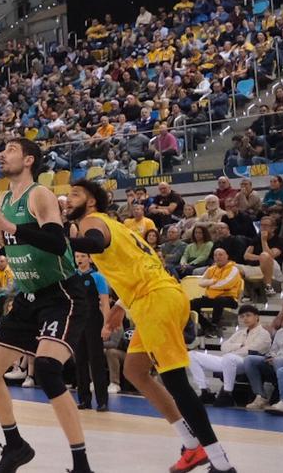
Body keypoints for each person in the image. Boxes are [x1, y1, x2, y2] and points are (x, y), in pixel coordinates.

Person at [0, 137, 93, 473]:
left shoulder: (39, 195)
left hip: (60, 294)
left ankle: (82, 465)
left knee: (49, 370)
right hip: (27, 298)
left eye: (9, 149)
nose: (1, 154)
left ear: (28, 160)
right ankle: (16, 446)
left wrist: (13, 227)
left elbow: (56, 241)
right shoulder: (6, 199)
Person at [63, 180, 237, 473]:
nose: (68, 199)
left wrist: (61, 239)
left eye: (75, 195)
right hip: (155, 298)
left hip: (157, 300)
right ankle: (192, 446)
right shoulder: (118, 226)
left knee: (176, 382)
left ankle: (220, 463)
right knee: (135, 371)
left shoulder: (92, 221)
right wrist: (120, 306)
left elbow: (93, 243)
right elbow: (142, 265)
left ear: (91, 202)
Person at [188, 305, 271, 406]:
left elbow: (252, 350)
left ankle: (227, 393)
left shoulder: (263, 333)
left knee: (229, 357)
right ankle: (204, 391)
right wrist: (239, 345)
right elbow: (223, 347)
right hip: (229, 360)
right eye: (242, 316)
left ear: (257, 317)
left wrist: (232, 351)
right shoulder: (240, 333)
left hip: (246, 363)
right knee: (191, 355)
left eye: (248, 315)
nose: (245, 318)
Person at [72, 251, 111, 412]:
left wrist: (106, 325)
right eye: (77, 257)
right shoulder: (71, 276)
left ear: (89, 258)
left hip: (94, 322)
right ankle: (84, 399)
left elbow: (105, 302)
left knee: (96, 361)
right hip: (77, 322)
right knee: (79, 361)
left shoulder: (98, 277)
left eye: (83, 256)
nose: (80, 259)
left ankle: (102, 401)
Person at [191, 249, 243, 335]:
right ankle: (207, 326)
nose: (218, 257)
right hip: (212, 297)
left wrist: (209, 284)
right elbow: (201, 282)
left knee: (219, 300)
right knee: (191, 304)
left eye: (221, 255)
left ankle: (215, 326)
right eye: (215, 255)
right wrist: (213, 281)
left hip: (229, 298)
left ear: (227, 256)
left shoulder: (234, 269)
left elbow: (226, 284)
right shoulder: (211, 269)